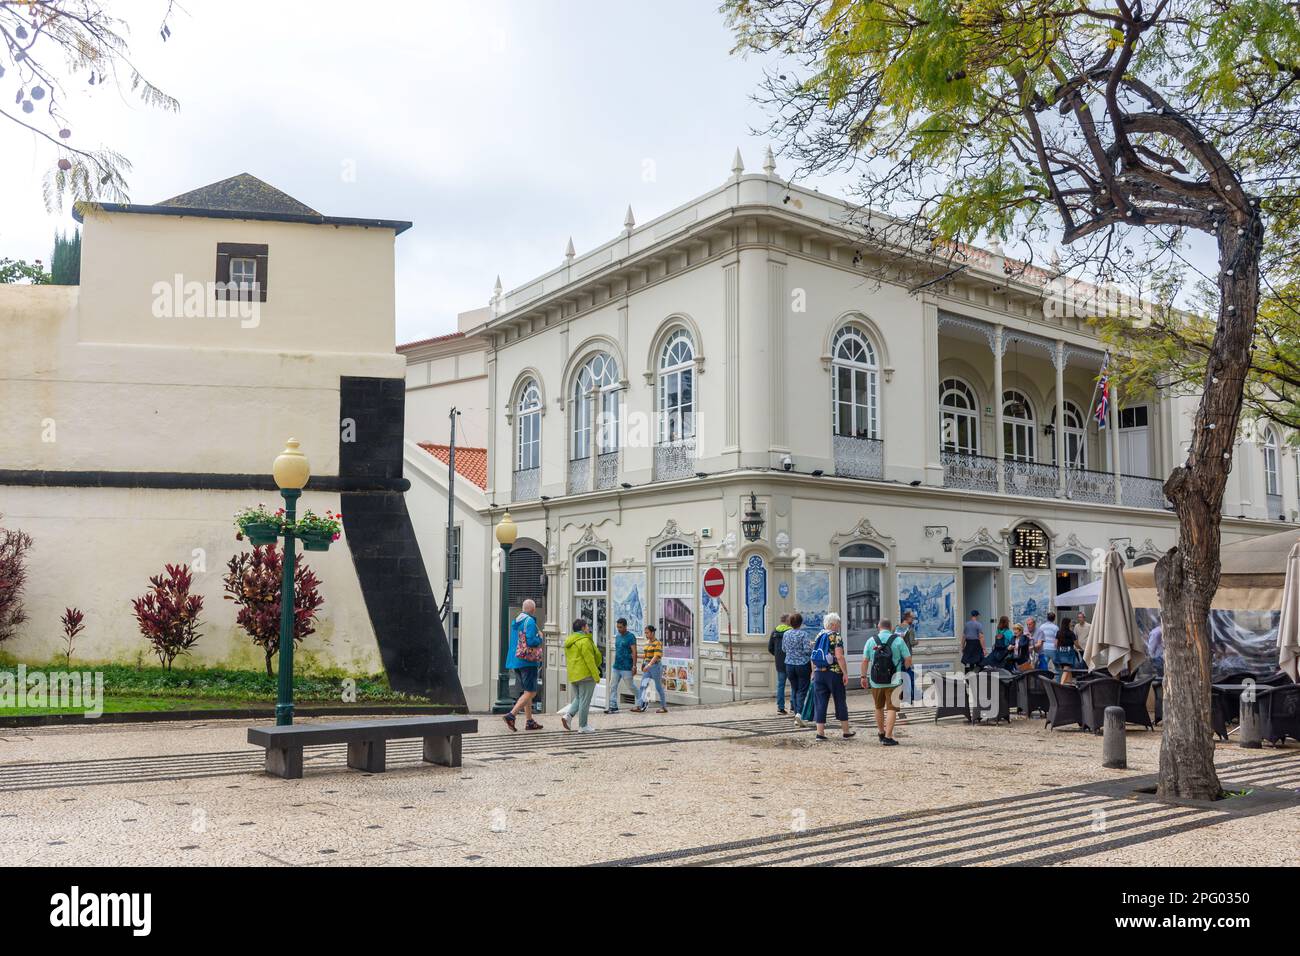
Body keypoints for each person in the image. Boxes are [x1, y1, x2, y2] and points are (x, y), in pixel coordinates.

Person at [862, 616, 911, 746]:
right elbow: (908, 659)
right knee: (892, 708)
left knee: (878, 707)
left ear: (879, 627)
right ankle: (888, 737)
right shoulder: (898, 640)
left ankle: (881, 732)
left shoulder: (871, 640)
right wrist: (903, 669)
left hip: (876, 681)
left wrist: (863, 677)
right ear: (891, 628)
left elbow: (865, 661)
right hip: (894, 680)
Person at [811, 612, 855, 742]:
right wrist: (845, 673)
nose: (839, 626)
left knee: (820, 702)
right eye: (838, 624)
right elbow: (839, 656)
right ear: (834, 624)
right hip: (834, 673)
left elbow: (813, 655)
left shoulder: (819, 635)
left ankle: (820, 733)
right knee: (840, 700)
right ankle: (846, 731)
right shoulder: (836, 636)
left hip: (819, 672)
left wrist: (813, 672)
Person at [503, 598, 544, 731]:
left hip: (516, 660)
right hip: (528, 661)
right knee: (531, 692)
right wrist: (540, 637)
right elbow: (532, 641)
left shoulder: (517, 620)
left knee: (527, 691)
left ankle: (529, 721)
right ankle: (511, 715)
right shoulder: (530, 621)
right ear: (532, 610)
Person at [558, 617, 602, 733]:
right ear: (583, 628)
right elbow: (590, 660)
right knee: (585, 701)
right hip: (586, 675)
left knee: (578, 698)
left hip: (574, 675)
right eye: (587, 626)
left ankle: (568, 716)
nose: (588, 628)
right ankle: (583, 725)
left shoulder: (569, 641)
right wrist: (596, 676)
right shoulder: (584, 641)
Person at [781, 613, 814, 726]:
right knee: (802, 690)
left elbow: (784, 649)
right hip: (802, 665)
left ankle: (796, 714)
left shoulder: (786, 634)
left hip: (789, 665)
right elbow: (807, 651)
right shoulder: (804, 634)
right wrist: (811, 646)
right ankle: (799, 713)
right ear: (801, 622)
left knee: (794, 689)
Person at [630, 624, 669, 714]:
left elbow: (656, 656)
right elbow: (646, 655)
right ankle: (639, 706)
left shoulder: (657, 643)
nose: (646, 635)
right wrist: (636, 656)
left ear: (652, 633)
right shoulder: (647, 643)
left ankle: (664, 707)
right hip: (648, 666)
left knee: (658, 687)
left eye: (647, 633)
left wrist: (649, 665)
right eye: (645, 633)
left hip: (655, 666)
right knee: (643, 686)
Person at [605, 617, 637, 714]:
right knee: (612, 686)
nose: (619, 629)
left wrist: (634, 666)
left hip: (626, 666)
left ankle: (642, 700)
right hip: (616, 666)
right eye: (617, 627)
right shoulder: (618, 636)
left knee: (630, 686)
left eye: (620, 627)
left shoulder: (631, 636)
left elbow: (634, 652)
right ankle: (613, 707)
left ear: (625, 626)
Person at [768, 613, 792, 714]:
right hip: (791, 661)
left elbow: (770, 647)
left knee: (780, 684)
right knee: (793, 684)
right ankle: (793, 706)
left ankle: (780, 707)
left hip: (779, 662)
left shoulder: (774, 631)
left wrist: (777, 655)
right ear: (787, 621)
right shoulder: (791, 632)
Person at [897, 610, 918, 703]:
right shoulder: (907, 627)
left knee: (904, 675)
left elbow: (896, 641)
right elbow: (911, 642)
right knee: (909, 676)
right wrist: (916, 642)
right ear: (908, 618)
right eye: (912, 618)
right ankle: (910, 696)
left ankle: (905, 694)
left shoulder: (898, 627)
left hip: (899, 656)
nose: (913, 619)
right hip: (906, 656)